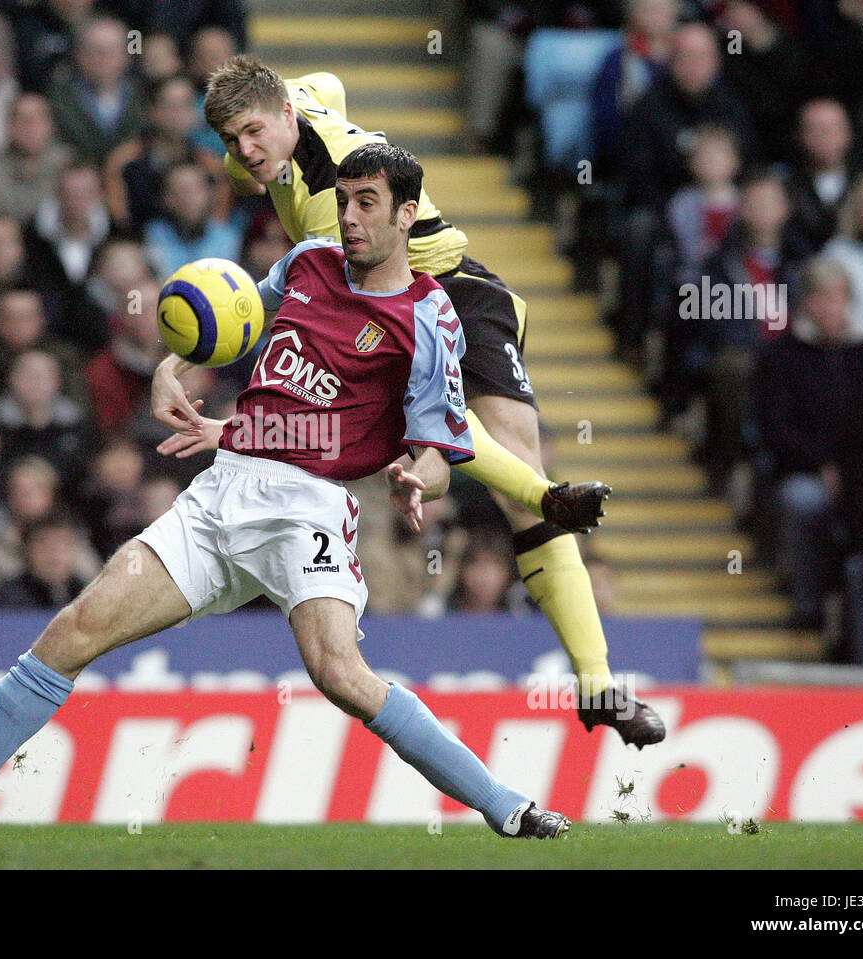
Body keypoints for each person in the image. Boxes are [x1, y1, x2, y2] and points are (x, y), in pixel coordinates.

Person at [0, 143, 572, 839]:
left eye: (367, 204)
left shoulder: (429, 318)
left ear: (406, 214)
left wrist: (421, 476)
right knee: (76, 627)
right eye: (345, 201)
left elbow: (442, 449)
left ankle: (507, 805)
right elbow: (228, 323)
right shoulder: (307, 262)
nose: (349, 217)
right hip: (222, 491)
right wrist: (172, 365)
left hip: (310, 508)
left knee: (341, 675)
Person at [183, 56, 663, 746]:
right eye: (231, 140)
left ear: (285, 114)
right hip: (402, 297)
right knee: (509, 480)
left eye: (254, 132)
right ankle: (591, 658)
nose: (244, 152)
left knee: (504, 465)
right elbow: (330, 82)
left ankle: (592, 673)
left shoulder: (332, 208)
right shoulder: (296, 110)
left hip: (445, 292)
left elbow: (290, 293)